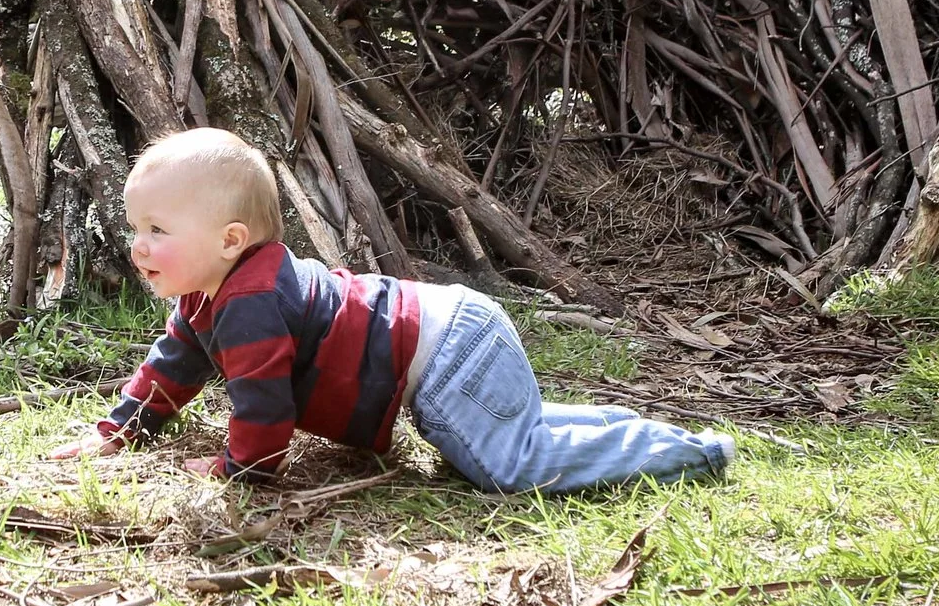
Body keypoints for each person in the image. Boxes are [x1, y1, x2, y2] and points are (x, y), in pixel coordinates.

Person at [48, 127, 732, 490]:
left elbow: (263, 408)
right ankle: (625, 427)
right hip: (457, 332)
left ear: (230, 240)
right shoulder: (210, 295)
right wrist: (117, 430)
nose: (138, 245)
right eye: (136, 227)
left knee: (508, 466)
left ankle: (684, 454)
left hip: (450, 353)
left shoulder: (253, 302)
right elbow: (172, 366)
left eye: (157, 230)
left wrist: (240, 468)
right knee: (517, 432)